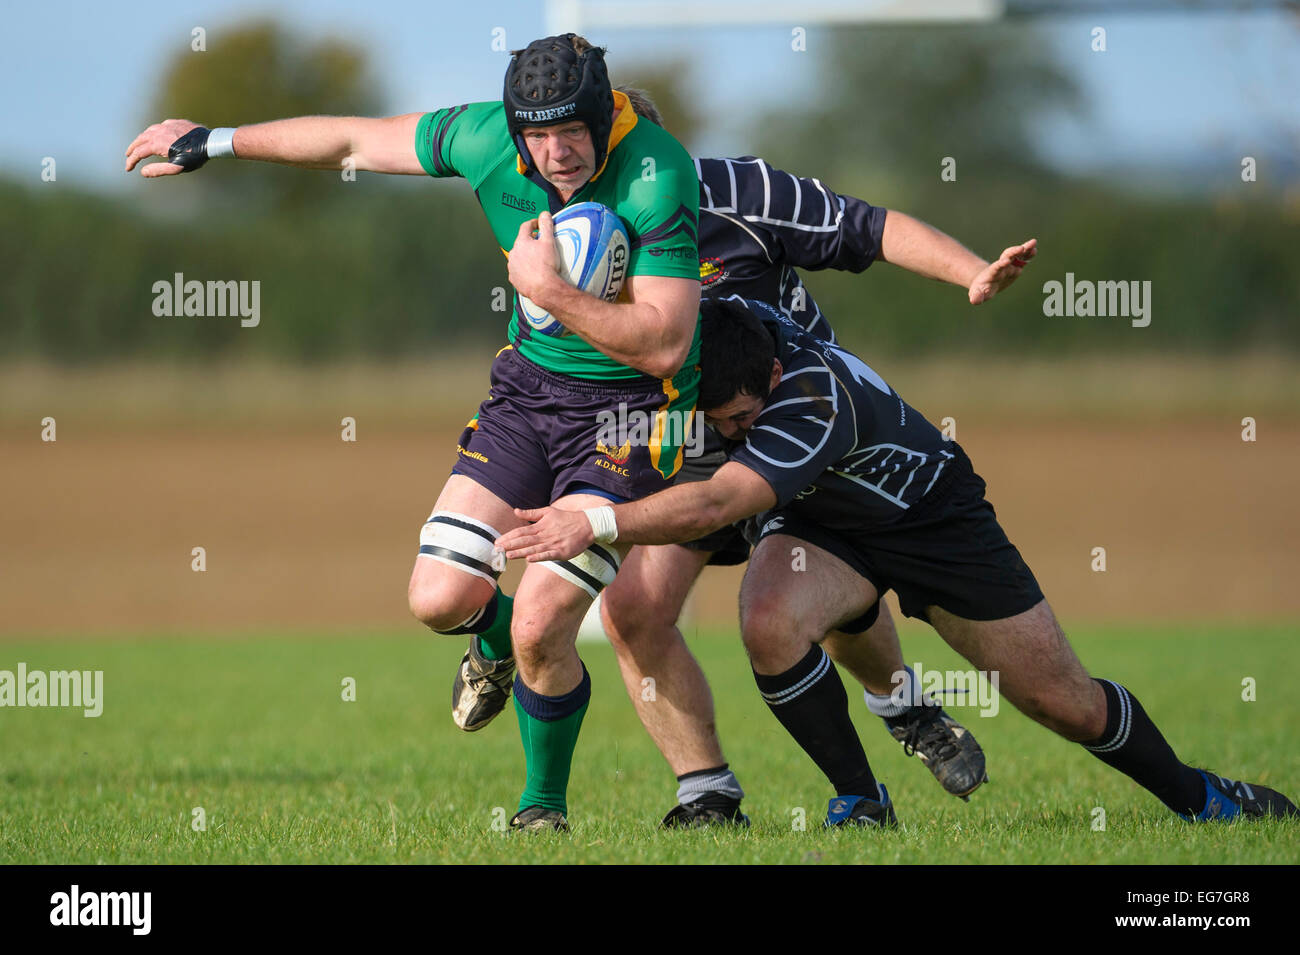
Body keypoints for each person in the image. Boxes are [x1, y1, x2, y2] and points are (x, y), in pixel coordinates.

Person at [127, 33, 705, 832]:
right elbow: (353, 138)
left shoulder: (657, 168)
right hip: (529, 395)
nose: (555, 152)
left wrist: (547, 290)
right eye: (535, 135)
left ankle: (542, 810)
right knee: (439, 598)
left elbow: (667, 342)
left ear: (604, 111)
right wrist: (214, 141)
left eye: (571, 131)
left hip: (630, 415)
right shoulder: (484, 138)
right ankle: (492, 644)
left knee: (545, 621)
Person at [497, 295, 1299, 827]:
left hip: (935, 523)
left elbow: (717, 503)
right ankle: (861, 801)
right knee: (770, 621)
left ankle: (1203, 799)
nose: (732, 430)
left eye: (742, 417)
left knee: (1066, 704)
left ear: (771, 380)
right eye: (721, 421)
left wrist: (595, 518)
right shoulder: (724, 341)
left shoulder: (810, 398)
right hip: (830, 528)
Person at [459, 86, 1035, 826]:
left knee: (805, 599)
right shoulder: (573, 233)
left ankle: (905, 707)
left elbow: (866, 228)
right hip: (683, 444)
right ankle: (707, 791)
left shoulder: (738, 193)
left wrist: (971, 272)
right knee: (633, 608)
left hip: (787, 426)